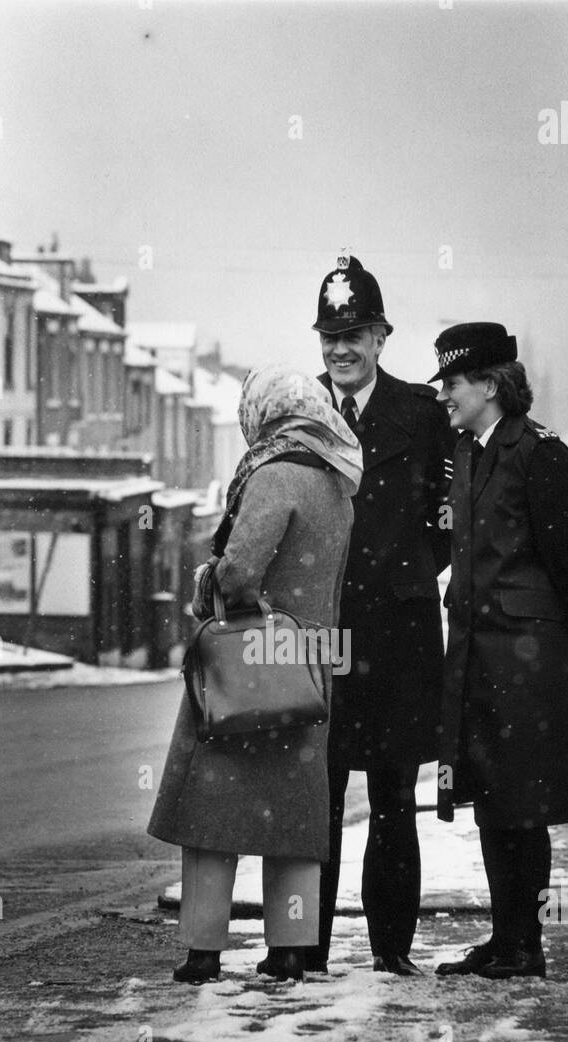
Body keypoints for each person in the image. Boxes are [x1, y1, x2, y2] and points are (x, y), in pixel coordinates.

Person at [148, 365, 359, 984]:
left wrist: (205, 581)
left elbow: (240, 576)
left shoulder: (273, 475)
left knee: (210, 814)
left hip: (248, 664)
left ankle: (203, 950)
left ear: (263, 413)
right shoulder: (336, 481)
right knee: (293, 817)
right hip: (308, 667)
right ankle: (291, 948)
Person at [430, 322, 568, 980]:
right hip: (476, 656)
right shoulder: (469, 452)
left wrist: (565, 647)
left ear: (488, 384)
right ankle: (505, 939)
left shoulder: (540, 456)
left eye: (451, 383)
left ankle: (524, 945)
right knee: (490, 800)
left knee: (523, 805)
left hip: (523, 660)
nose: (444, 395)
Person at [309, 252, 457, 976]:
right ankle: (304, 950)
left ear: (381, 338)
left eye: (355, 334)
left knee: (395, 796)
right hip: (319, 637)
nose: (341, 349)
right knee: (316, 796)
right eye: (330, 336)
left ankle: (390, 949)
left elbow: (448, 518)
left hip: (398, 635)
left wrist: (403, 572)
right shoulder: (299, 412)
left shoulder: (422, 416)